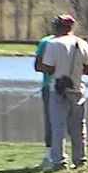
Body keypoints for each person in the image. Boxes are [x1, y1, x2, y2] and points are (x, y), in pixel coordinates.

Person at [40, 14, 88, 172]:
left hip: (58, 90)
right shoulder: (82, 43)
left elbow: (48, 68)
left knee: (58, 126)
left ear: (58, 28)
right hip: (78, 89)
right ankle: (80, 160)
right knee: (78, 127)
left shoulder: (53, 44)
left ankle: (59, 162)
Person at [34, 20, 57, 159]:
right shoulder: (46, 42)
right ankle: (49, 155)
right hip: (49, 87)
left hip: (70, 87)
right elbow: (38, 66)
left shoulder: (75, 42)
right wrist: (54, 70)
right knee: (50, 121)